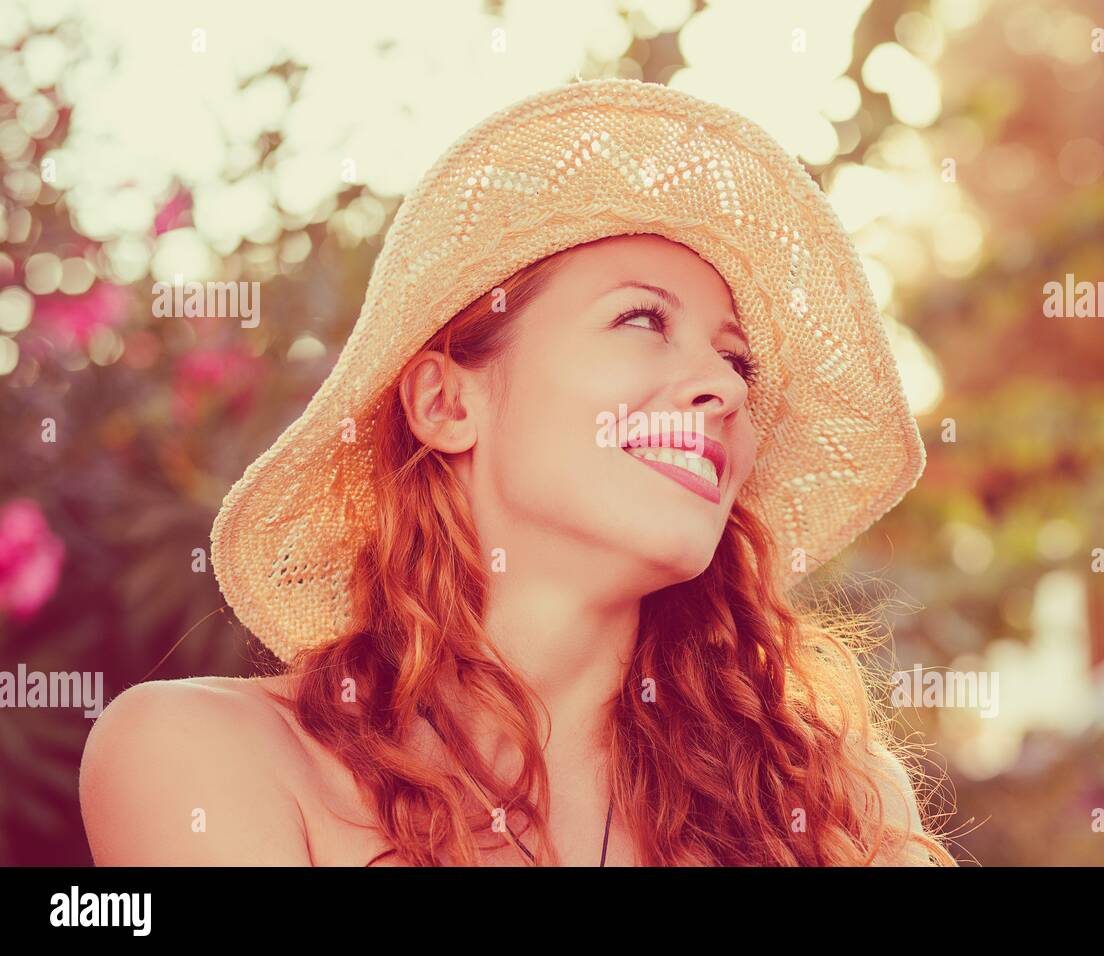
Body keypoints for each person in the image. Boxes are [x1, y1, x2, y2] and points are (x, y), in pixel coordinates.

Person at [79, 78, 956, 867]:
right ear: (446, 404)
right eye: (644, 320)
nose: (724, 388)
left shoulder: (835, 806)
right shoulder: (206, 757)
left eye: (740, 364)